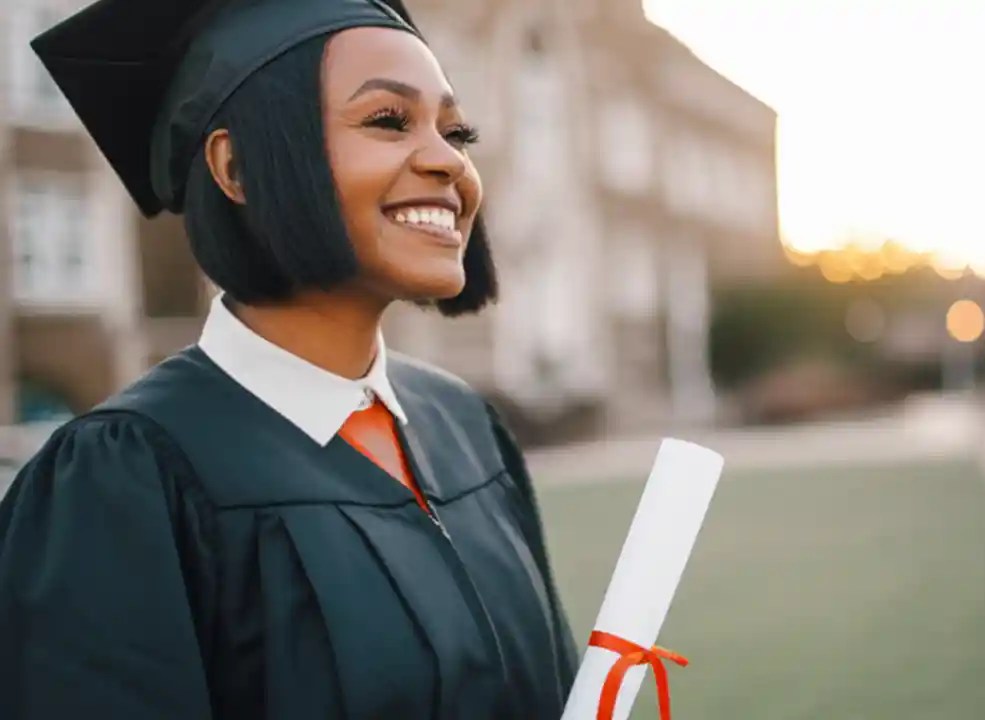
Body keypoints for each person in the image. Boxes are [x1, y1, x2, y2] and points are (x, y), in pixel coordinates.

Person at [0, 0, 579, 717]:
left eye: (456, 131)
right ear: (236, 166)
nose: (447, 160)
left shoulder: (465, 425)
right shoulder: (127, 477)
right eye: (388, 121)